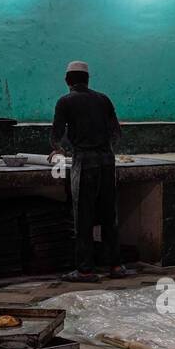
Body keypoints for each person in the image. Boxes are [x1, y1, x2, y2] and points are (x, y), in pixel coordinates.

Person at [49, 60, 125, 282]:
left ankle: (85, 270)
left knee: (83, 216)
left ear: (67, 80)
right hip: (107, 162)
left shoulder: (65, 102)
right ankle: (116, 266)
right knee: (109, 215)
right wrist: (104, 148)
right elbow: (116, 133)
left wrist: (59, 150)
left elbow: (55, 136)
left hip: (84, 162)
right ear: (88, 79)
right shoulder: (103, 99)